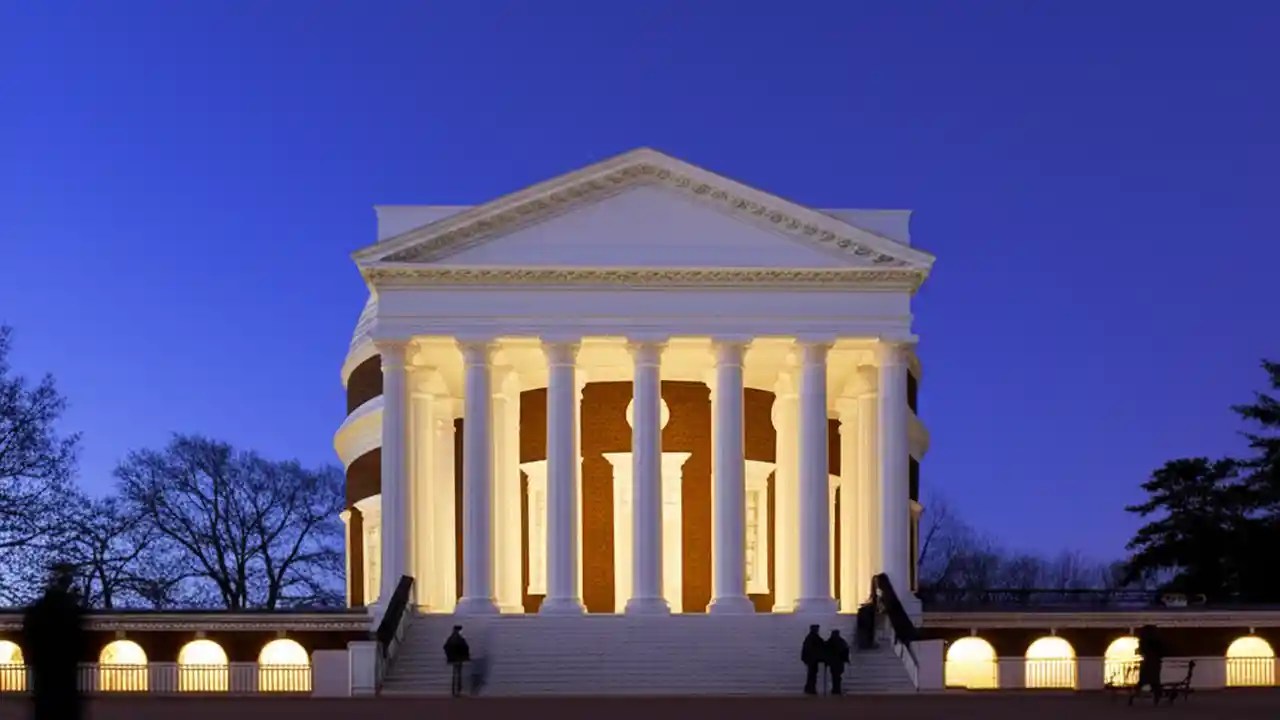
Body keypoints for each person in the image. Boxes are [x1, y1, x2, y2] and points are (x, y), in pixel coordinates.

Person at [22, 563, 86, 720]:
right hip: (64, 667)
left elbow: (29, 635)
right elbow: (77, 638)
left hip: (45, 667)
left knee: (45, 705)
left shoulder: (37, 609)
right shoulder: (70, 610)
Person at [1133, 624, 1166, 704]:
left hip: (1149, 664)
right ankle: (1157, 694)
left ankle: (1135, 695)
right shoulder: (1156, 642)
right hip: (1155, 664)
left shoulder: (1145, 641)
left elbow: (1142, 651)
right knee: (1154, 681)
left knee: (1145, 680)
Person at [443, 625, 471, 697]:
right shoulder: (459, 639)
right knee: (458, 675)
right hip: (458, 658)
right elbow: (465, 647)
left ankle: (454, 691)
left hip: (453, 658)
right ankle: (457, 691)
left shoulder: (451, 638)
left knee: (455, 674)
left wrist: (449, 656)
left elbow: (445, 647)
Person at [801, 624, 825, 695]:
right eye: (817, 629)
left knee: (811, 674)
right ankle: (811, 689)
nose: (818, 630)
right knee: (812, 674)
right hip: (812, 659)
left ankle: (809, 688)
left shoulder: (811, 637)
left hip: (811, 659)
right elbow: (820, 646)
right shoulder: (813, 637)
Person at [825, 629, 850, 695]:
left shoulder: (829, 641)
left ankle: (835, 689)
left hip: (833, 662)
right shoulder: (841, 641)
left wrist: (827, 661)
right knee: (838, 676)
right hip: (839, 662)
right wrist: (846, 659)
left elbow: (826, 651)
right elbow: (846, 650)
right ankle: (837, 689)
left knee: (834, 676)